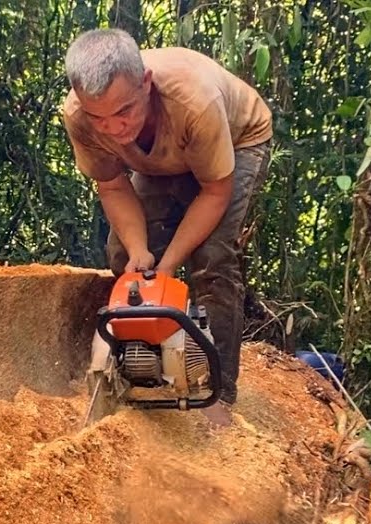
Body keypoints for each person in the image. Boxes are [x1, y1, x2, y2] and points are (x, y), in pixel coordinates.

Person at [60, 28, 274, 426]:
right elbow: (110, 185)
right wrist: (142, 252)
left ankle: (218, 394)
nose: (114, 129)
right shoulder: (79, 117)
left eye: (124, 111)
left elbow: (213, 192)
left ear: (146, 83)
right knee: (125, 257)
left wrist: (170, 262)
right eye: (99, 117)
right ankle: (147, 366)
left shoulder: (195, 101)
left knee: (211, 257)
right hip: (160, 156)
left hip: (236, 139)